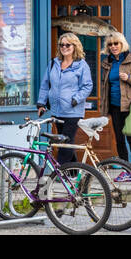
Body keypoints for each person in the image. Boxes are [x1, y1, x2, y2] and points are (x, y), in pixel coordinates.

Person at [36, 32, 92, 165]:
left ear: (75, 46)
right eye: (62, 45)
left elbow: (87, 86)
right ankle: (73, 175)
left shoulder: (81, 65)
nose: (64, 47)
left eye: (68, 45)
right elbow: (45, 85)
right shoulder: (53, 64)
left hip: (73, 111)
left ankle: (57, 172)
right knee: (65, 143)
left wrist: (76, 99)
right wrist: (41, 104)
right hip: (57, 110)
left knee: (65, 141)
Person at [98, 32, 131, 169]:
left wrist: (129, 78)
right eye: (110, 44)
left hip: (130, 105)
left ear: (122, 44)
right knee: (119, 139)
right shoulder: (107, 62)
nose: (113, 46)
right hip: (114, 106)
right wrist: (104, 108)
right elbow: (104, 86)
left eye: (116, 43)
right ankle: (126, 169)